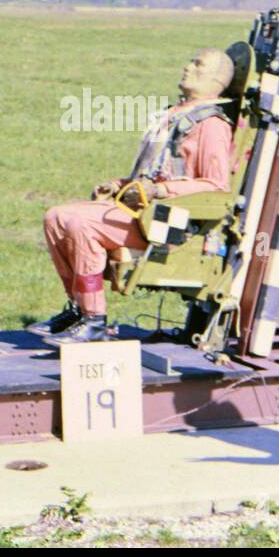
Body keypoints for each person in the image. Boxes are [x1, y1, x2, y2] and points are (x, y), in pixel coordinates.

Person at [36, 48, 236, 343]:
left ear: (217, 79)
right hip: (146, 213)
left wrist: (159, 191)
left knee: (81, 223)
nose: (187, 66)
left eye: (198, 64)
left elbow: (216, 186)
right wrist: (120, 185)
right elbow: (155, 171)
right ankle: (79, 310)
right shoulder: (175, 115)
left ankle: (94, 321)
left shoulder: (211, 125)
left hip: (174, 225)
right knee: (55, 217)